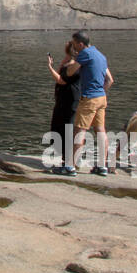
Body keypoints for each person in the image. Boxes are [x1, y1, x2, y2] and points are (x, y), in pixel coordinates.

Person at [64, 30, 114, 175]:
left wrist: (72, 58)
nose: (73, 47)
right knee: (100, 131)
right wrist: (101, 92)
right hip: (101, 97)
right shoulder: (100, 55)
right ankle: (102, 166)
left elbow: (70, 72)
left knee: (79, 131)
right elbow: (110, 80)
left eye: (74, 44)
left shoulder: (85, 54)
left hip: (89, 98)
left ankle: (70, 166)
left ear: (81, 44)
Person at [44, 41, 81, 175]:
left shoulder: (74, 65)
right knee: (59, 126)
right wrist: (60, 63)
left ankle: (68, 164)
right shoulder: (71, 62)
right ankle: (66, 160)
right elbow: (61, 74)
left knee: (66, 129)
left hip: (69, 101)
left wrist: (49, 67)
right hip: (63, 100)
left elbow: (61, 80)